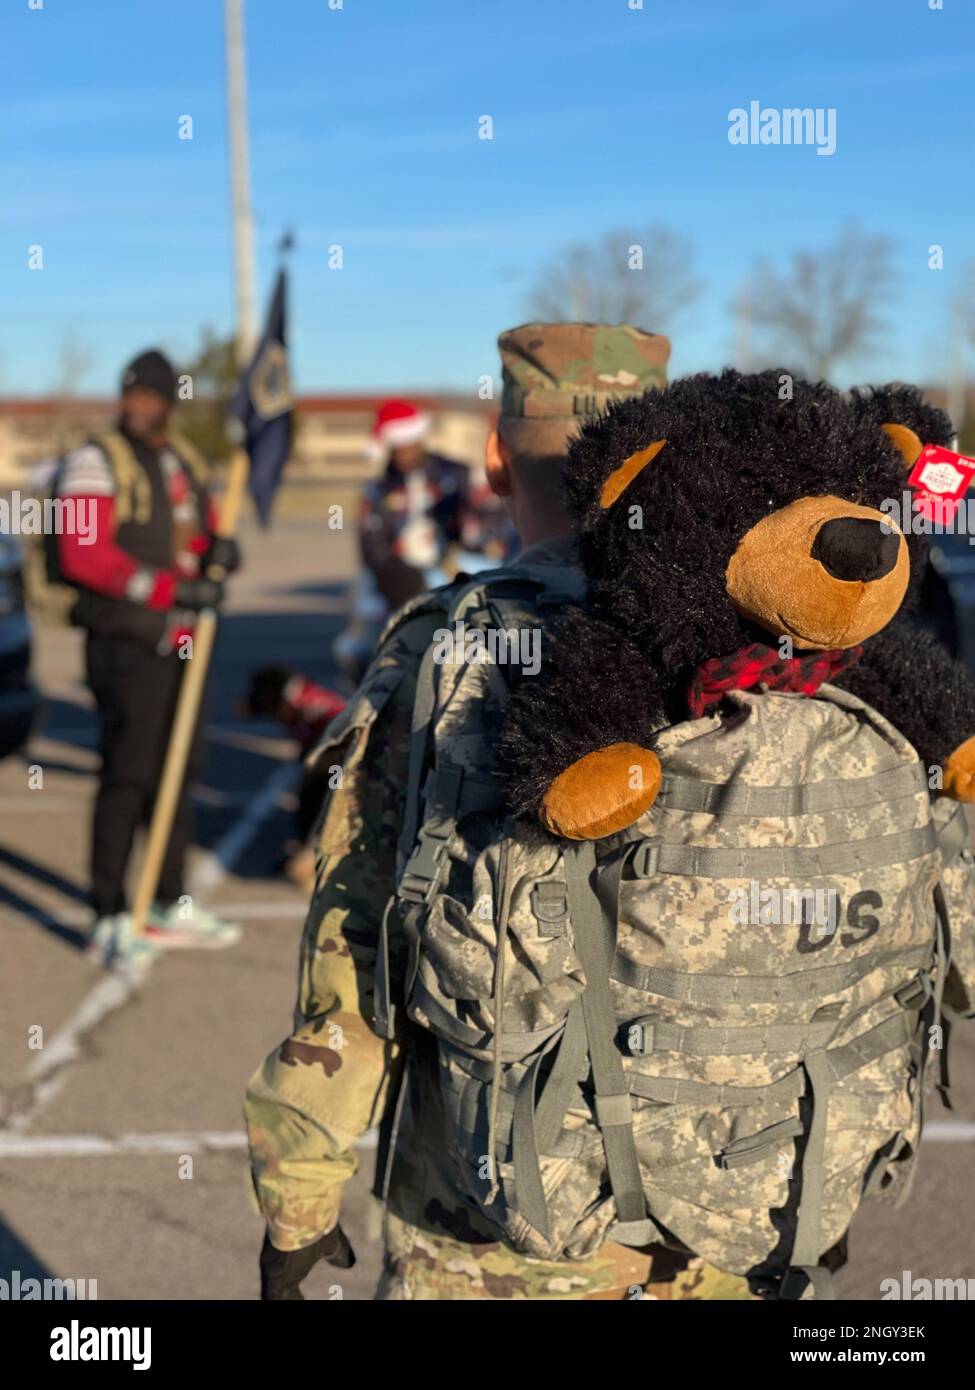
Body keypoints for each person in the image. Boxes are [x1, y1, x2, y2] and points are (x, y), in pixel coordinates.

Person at [243, 323, 758, 1301]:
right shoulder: (762, 637)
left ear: (492, 456)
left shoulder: (444, 649)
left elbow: (359, 937)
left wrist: (298, 1196)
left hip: (487, 1215)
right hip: (729, 1202)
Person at [55, 348, 242, 955]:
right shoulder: (94, 460)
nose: (138, 405)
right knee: (128, 774)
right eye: (130, 393)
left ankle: (166, 901)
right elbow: (81, 553)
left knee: (180, 773)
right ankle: (107, 911)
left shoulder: (179, 459)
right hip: (124, 641)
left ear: (168, 402)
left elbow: (203, 533)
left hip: (186, 641)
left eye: (150, 396)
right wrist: (169, 589)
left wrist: (220, 552)